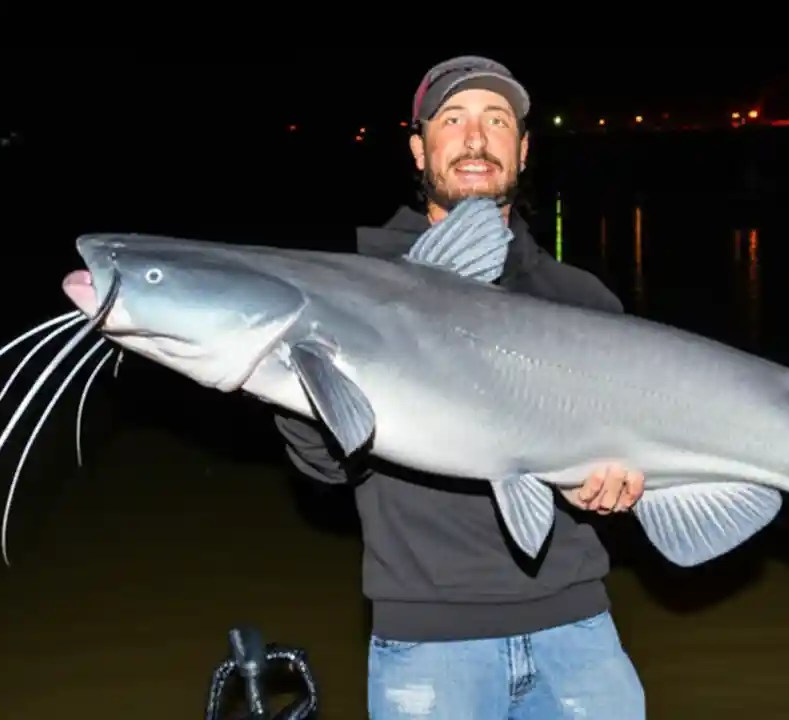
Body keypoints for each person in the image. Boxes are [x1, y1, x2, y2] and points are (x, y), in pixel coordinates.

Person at [272, 55, 648, 718]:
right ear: (418, 148)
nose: (475, 138)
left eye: (496, 120)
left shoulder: (580, 299)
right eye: (453, 119)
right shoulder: (353, 287)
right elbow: (325, 467)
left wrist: (623, 486)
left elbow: (633, 463)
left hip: (580, 633)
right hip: (428, 644)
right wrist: (293, 374)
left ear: (523, 149)